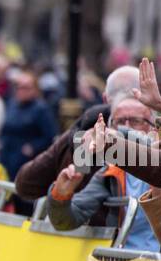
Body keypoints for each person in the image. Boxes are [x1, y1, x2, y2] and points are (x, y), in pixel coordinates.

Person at [44, 102, 161, 251]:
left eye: (135, 121)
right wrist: (60, 195)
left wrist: (120, 136)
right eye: (119, 122)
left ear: (153, 128)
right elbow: (63, 222)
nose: (126, 126)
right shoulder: (109, 173)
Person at [14, 65, 139, 201]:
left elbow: (25, 184)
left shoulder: (159, 141)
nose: (126, 127)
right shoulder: (82, 132)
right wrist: (62, 191)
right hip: (86, 220)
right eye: (121, 120)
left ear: (105, 98)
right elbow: (25, 183)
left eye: (136, 121)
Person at [0, 70, 59, 186]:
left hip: (27, 161)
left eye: (26, 87)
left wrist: (32, 147)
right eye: (18, 87)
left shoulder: (41, 109)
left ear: (35, 89)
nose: (21, 91)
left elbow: (50, 136)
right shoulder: (12, 104)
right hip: (7, 157)